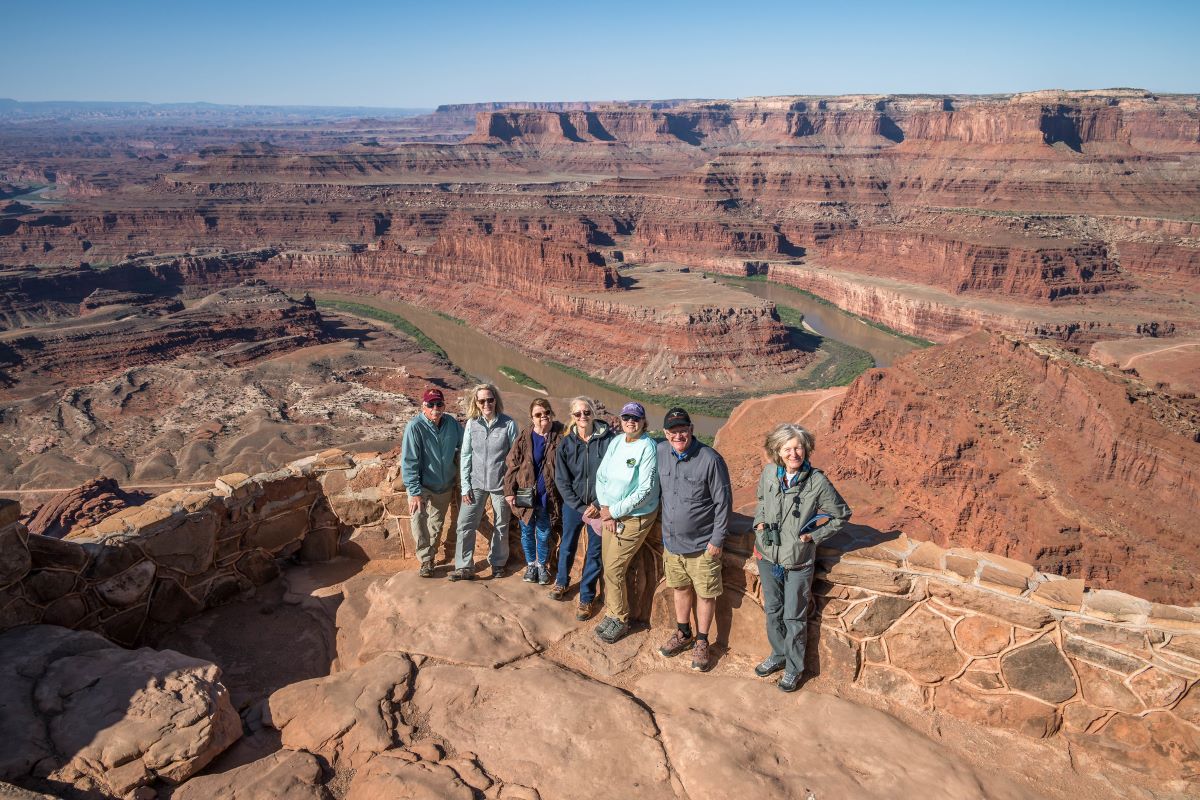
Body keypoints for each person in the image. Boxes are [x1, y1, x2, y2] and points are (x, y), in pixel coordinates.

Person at [752, 422, 851, 691]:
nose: (793, 453)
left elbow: (841, 514)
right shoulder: (770, 472)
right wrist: (759, 524)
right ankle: (779, 654)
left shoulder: (817, 481)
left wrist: (813, 537)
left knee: (793, 617)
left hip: (797, 561)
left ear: (806, 449)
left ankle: (794, 668)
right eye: (787, 448)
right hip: (767, 556)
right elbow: (761, 500)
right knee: (773, 611)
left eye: (798, 448)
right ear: (777, 450)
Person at [655, 407, 732, 672]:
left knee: (706, 594)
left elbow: (723, 503)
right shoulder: (661, 452)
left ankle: (702, 641)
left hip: (702, 546)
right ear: (666, 434)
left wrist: (717, 539)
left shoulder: (710, 459)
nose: (678, 435)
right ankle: (683, 633)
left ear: (691, 430)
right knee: (679, 589)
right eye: (673, 431)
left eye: (683, 430)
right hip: (672, 543)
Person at [593, 401, 660, 644]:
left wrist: (614, 511)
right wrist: (604, 508)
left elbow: (645, 489)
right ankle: (612, 613)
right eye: (626, 418)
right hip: (610, 512)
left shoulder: (648, 447)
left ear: (643, 422)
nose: (630, 422)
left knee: (614, 568)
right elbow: (601, 476)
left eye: (635, 418)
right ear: (621, 421)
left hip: (635, 516)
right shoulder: (616, 442)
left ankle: (620, 618)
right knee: (608, 565)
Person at [551, 396, 616, 619]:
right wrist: (579, 505)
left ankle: (586, 597)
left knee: (595, 553)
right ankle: (561, 582)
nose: (583, 417)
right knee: (568, 543)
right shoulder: (567, 443)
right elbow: (562, 479)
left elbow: (614, 475)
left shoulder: (608, 440)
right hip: (574, 505)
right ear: (572, 417)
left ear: (593, 413)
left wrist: (597, 504)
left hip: (600, 506)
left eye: (586, 412)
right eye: (578, 414)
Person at [450, 383, 519, 581]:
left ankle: (498, 563)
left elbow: (515, 457)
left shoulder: (508, 424)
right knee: (465, 523)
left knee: (501, 524)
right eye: (482, 400)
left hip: (501, 485)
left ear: (496, 400)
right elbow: (465, 456)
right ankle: (464, 566)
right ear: (476, 403)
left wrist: (510, 486)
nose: (487, 403)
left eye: (490, 399)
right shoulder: (472, 424)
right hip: (476, 483)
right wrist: (465, 486)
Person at [400, 388, 462, 578]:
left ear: (444, 405)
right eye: (431, 404)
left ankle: (431, 557)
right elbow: (409, 460)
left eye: (439, 404)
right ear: (423, 406)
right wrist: (414, 490)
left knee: (436, 524)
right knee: (418, 518)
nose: (435, 408)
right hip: (422, 484)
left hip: (444, 484)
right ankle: (426, 560)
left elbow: (466, 444)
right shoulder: (415, 426)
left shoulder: (451, 423)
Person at [504, 398, 563, 585]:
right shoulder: (524, 437)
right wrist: (509, 491)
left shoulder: (560, 436)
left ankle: (542, 566)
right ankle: (531, 564)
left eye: (546, 412)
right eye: (538, 414)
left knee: (544, 532)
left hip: (548, 496)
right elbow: (512, 465)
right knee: (527, 531)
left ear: (551, 413)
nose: (543, 417)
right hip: (525, 494)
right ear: (532, 417)